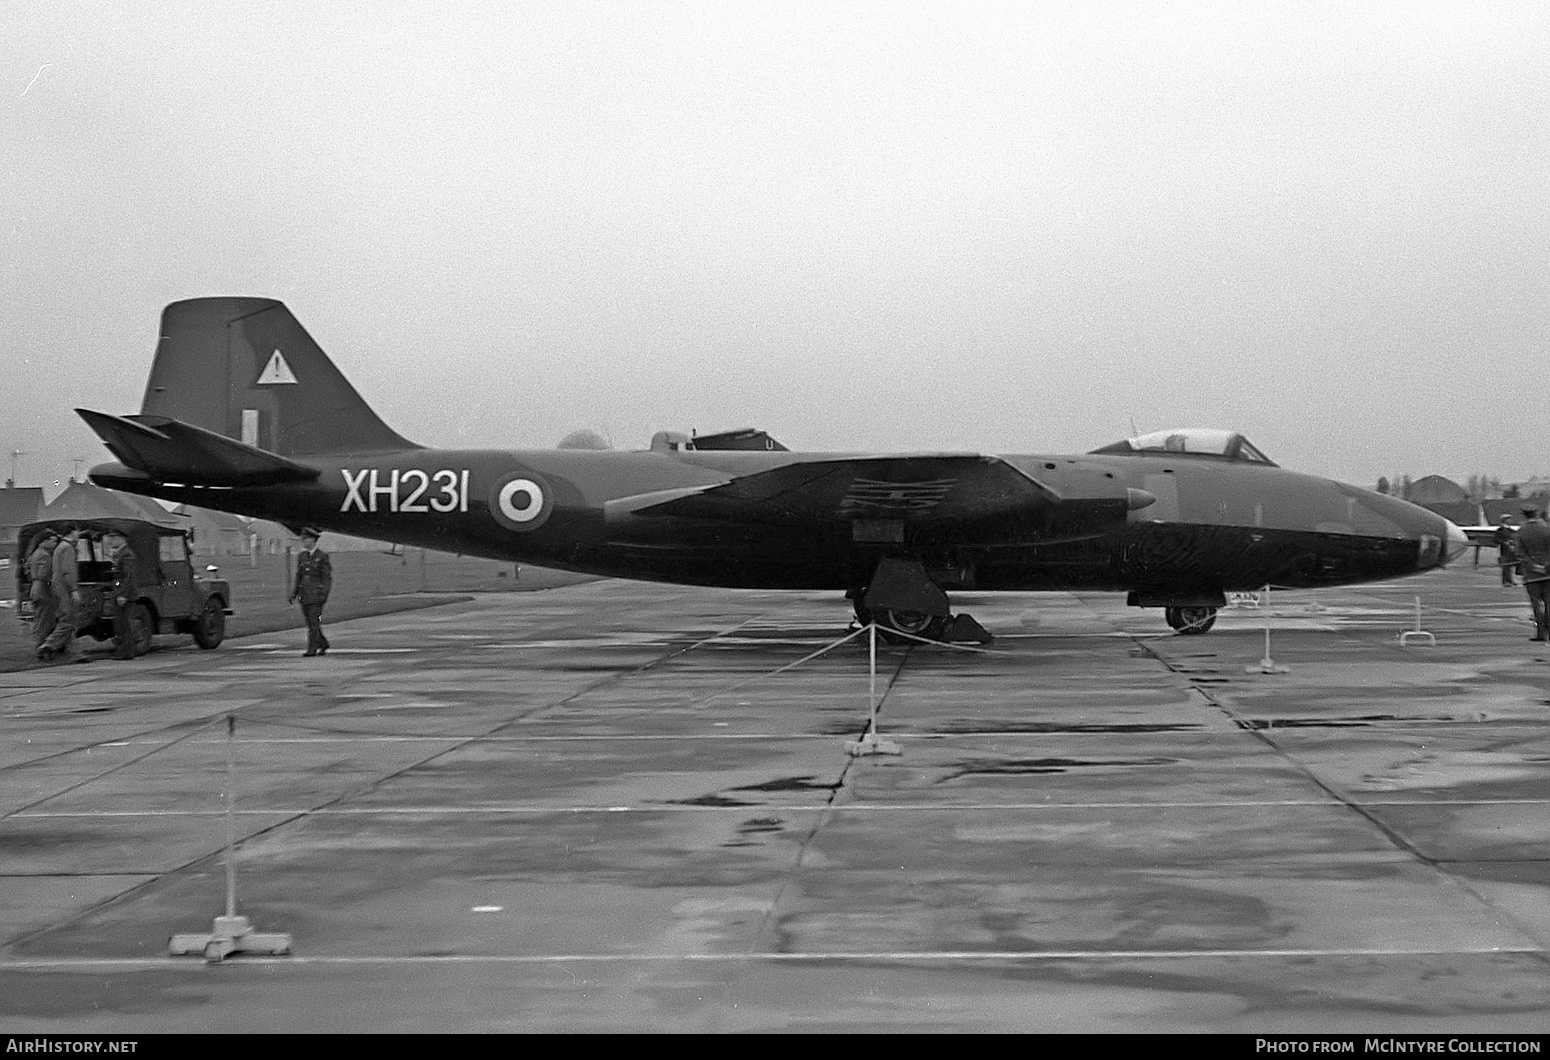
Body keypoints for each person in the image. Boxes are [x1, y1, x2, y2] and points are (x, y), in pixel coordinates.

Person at [36, 525, 82, 662]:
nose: (78, 534)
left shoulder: (60, 547)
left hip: (58, 586)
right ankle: (49, 644)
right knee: (68, 618)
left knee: (68, 619)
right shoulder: (67, 548)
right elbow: (68, 570)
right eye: (77, 532)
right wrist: (74, 589)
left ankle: (71, 651)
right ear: (71, 532)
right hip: (64, 588)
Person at [289, 529, 332, 656]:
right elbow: (299, 576)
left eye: (305, 539)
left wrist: (324, 593)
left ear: (312, 540)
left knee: (313, 622)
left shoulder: (322, 557)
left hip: (316, 595)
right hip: (305, 595)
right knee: (310, 622)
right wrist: (294, 593)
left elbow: (326, 577)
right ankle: (323, 643)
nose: (303, 542)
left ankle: (311, 649)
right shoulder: (302, 557)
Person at [1515, 502, 1550, 642]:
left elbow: (1520, 553)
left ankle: (1541, 633)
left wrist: (1534, 566)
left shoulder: (1521, 532)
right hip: (1548, 573)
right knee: (1549, 603)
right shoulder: (1547, 529)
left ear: (1524, 515)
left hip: (1531, 575)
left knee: (1536, 604)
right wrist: (1546, 565)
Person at [104, 531, 141, 660]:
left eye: (113, 538)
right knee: (121, 624)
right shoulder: (121, 554)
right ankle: (125, 651)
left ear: (122, 539)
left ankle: (125, 652)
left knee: (123, 624)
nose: (111, 541)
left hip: (123, 594)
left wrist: (123, 594)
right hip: (120, 592)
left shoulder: (126, 555)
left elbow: (128, 576)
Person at [27, 531, 59, 649]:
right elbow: (44, 574)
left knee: (40, 618)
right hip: (43, 589)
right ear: (44, 542)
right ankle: (42, 647)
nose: (55, 544)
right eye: (53, 541)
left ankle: (41, 644)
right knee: (45, 620)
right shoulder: (45, 555)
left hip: (35, 588)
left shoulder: (34, 554)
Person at [1498, 522, 1519, 587]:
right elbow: (1496, 540)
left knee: (1510, 567)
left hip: (1510, 552)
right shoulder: (1500, 531)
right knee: (1506, 567)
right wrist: (1504, 542)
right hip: (1504, 551)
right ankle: (1506, 581)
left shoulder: (1510, 530)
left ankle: (1510, 580)